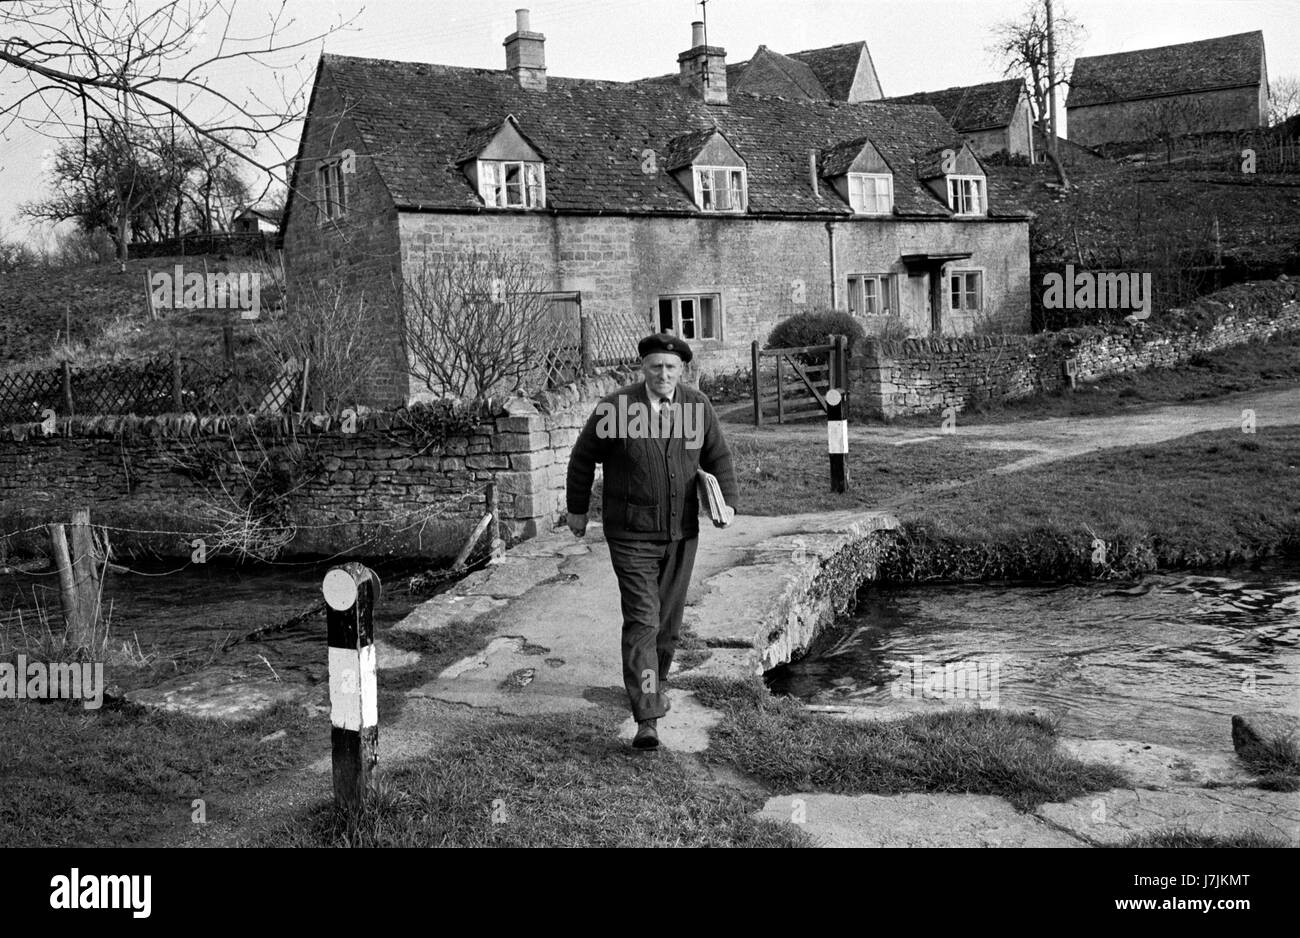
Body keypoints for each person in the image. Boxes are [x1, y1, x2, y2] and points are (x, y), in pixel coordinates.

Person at [565, 332, 739, 750]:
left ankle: (654, 683)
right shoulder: (618, 409)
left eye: (671, 368)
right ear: (641, 369)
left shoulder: (697, 407)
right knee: (644, 620)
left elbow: (719, 456)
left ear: (683, 371)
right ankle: (647, 716)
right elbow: (583, 457)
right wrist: (576, 509)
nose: (663, 375)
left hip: (681, 533)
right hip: (630, 534)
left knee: (668, 625)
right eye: (655, 367)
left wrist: (728, 503)